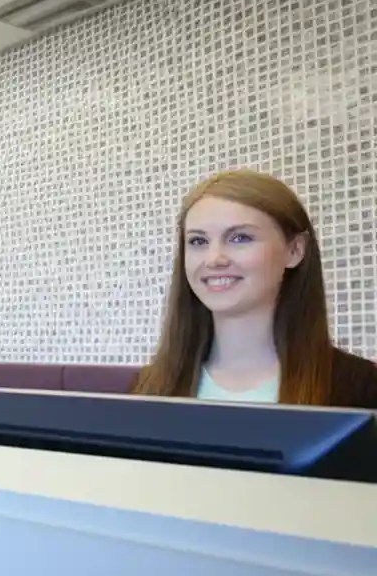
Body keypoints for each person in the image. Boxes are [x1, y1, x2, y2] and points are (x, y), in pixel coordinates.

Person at [132, 170, 377, 407]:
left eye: (240, 238)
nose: (214, 259)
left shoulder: (359, 388)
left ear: (294, 251)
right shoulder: (148, 387)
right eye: (198, 241)